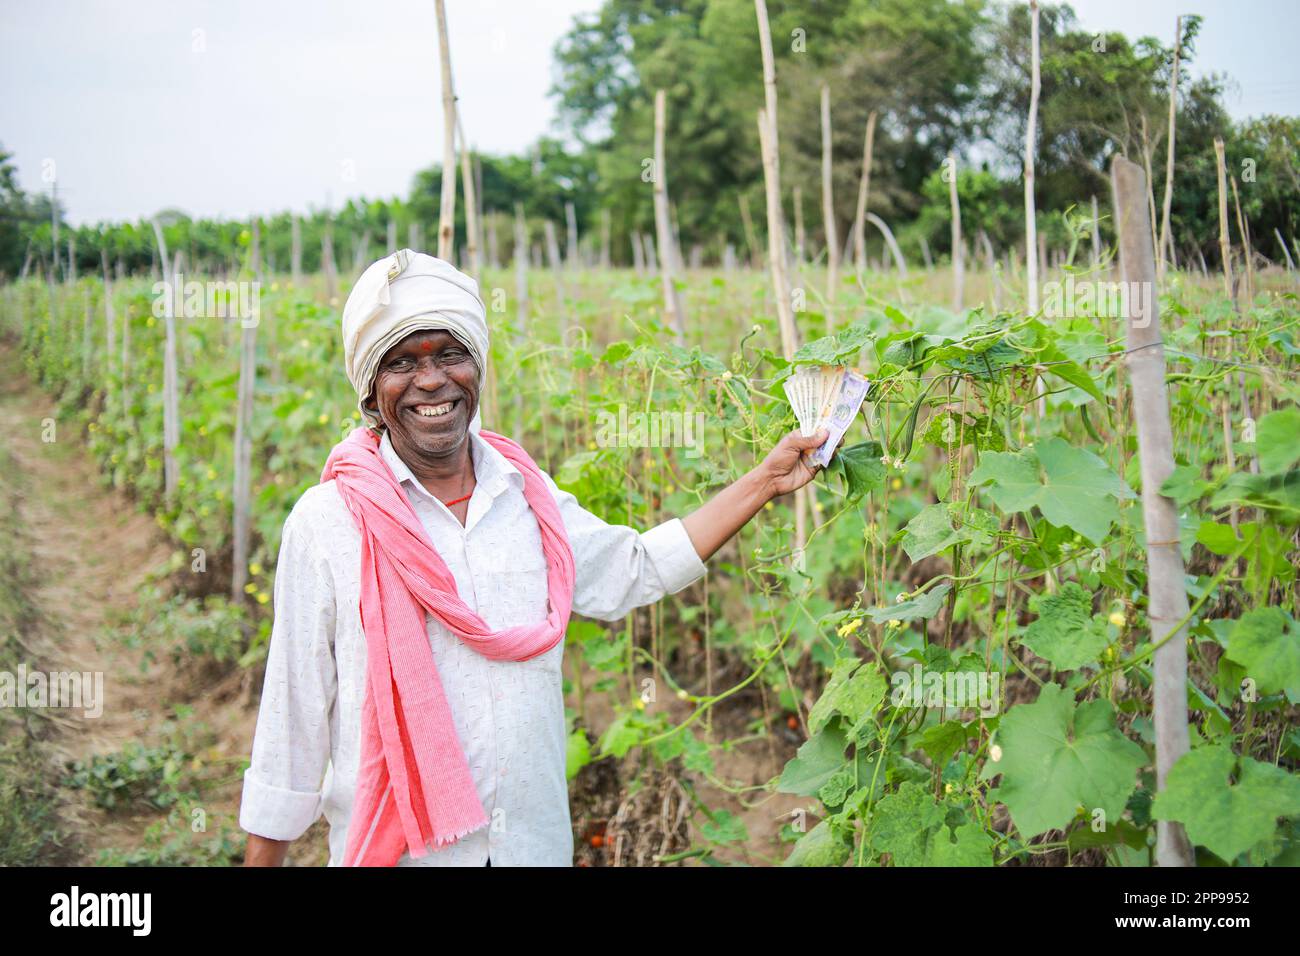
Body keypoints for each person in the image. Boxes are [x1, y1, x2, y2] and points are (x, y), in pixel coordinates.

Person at [239, 250, 831, 867]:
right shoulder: (328, 521)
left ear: (477, 369)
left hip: (530, 846)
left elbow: (636, 567)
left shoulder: (526, 498)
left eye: (450, 355)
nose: (432, 380)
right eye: (401, 363)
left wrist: (764, 481)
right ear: (370, 392)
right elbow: (294, 716)